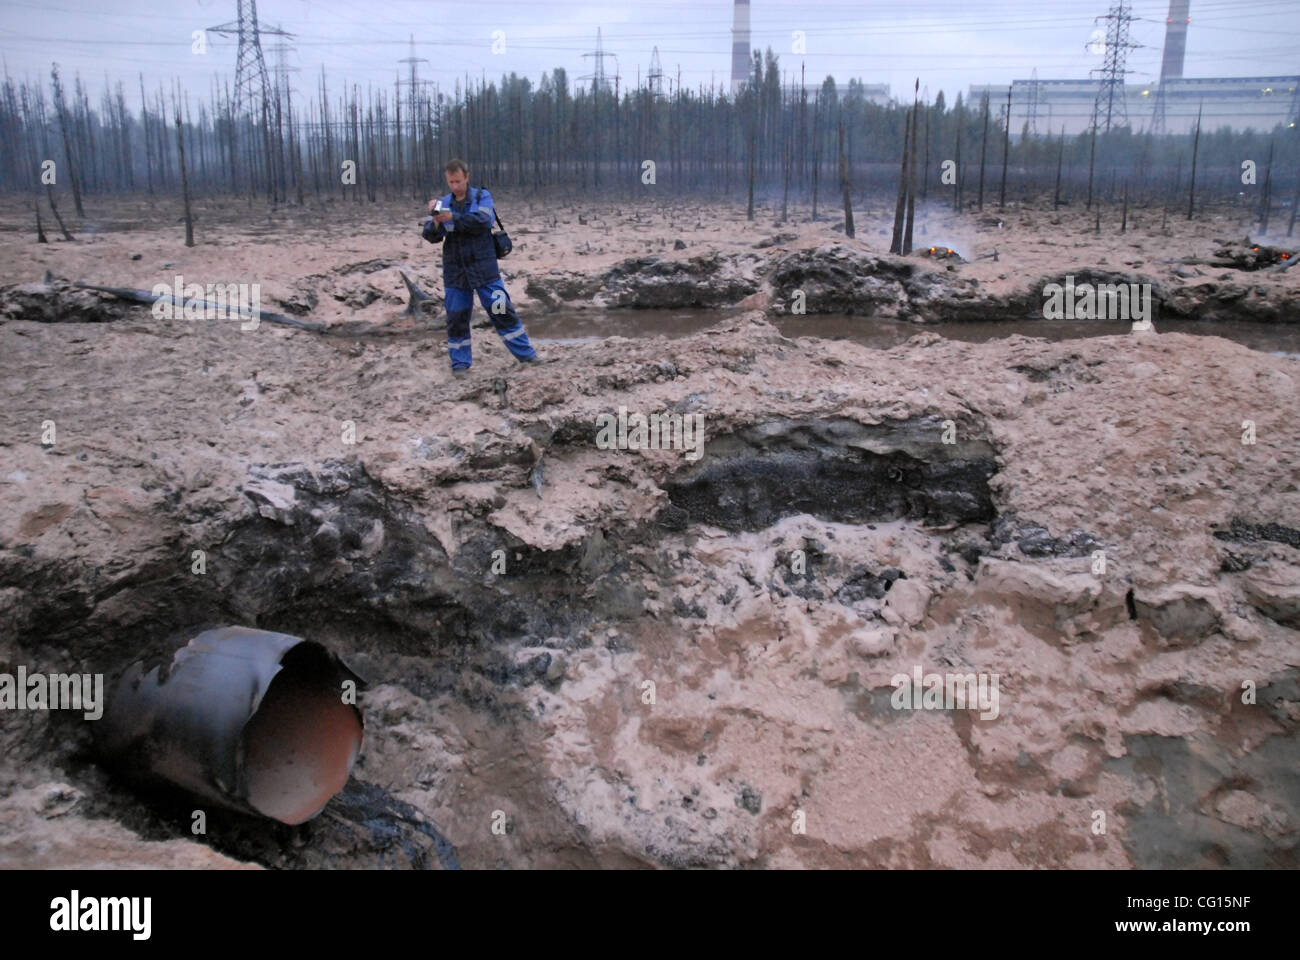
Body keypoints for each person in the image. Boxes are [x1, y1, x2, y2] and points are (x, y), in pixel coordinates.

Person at [421, 158, 539, 378]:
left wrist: (453, 219)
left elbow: (483, 221)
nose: (455, 186)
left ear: (467, 177)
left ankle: (527, 356)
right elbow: (430, 236)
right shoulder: (444, 202)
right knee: (457, 318)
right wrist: (436, 220)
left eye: (458, 181)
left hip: (484, 269)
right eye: (451, 182)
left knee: (501, 310)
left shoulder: (481, 197)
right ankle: (460, 365)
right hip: (456, 271)